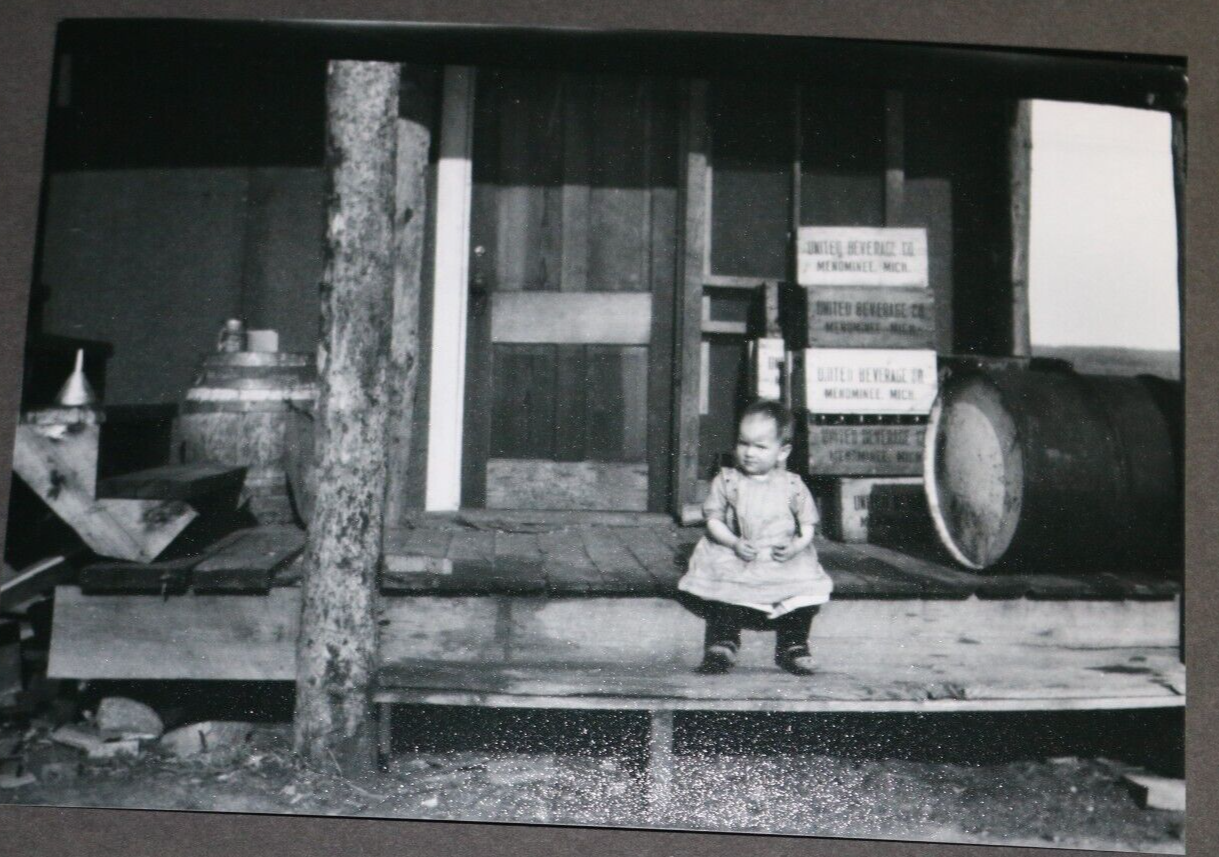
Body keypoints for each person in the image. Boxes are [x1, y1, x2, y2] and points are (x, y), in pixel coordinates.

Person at [677, 399, 833, 676]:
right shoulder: (727, 480)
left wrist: (796, 546)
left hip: (779, 556)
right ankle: (724, 641)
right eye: (743, 443)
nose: (749, 453)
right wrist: (733, 542)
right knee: (724, 584)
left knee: (805, 589)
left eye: (760, 447)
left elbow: (808, 525)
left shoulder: (793, 485)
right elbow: (713, 520)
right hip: (738, 552)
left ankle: (794, 644)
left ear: (782, 452)